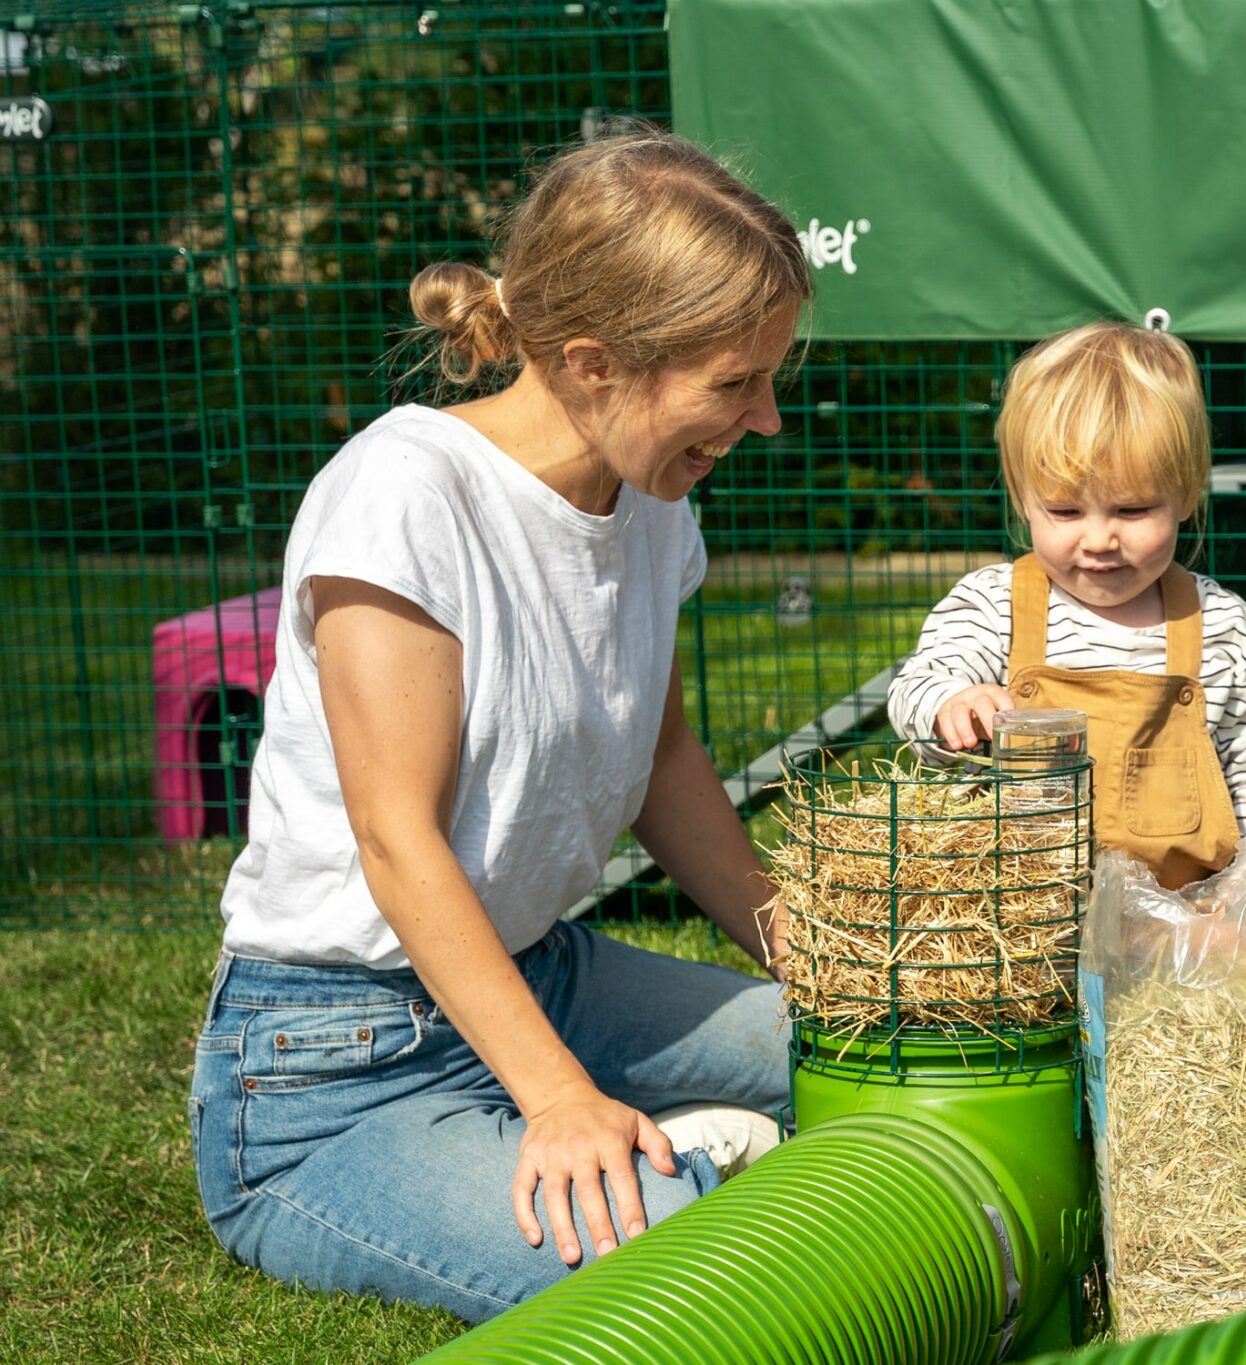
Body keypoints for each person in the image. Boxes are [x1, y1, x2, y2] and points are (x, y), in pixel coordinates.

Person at [187, 125, 808, 1323]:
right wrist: (558, 1099)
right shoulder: (404, 494)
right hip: (332, 1072)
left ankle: (652, 1143)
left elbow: (662, 763)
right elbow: (394, 840)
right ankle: (641, 1156)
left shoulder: (651, 496)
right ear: (590, 364)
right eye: (735, 382)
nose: (766, 419)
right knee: (698, 1278)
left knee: (861, 1054)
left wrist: (818, 965)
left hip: (535, 973)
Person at [887, 321, 1246, 889]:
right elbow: (915, 687)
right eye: (1065, 513)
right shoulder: (993, 607)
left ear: (1187, 493)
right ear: (1023, 499)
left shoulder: (1233, 636)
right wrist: (951, 704)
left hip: (1183, 925)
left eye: (1132, 511)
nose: (1098, 540)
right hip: (1017, 923)